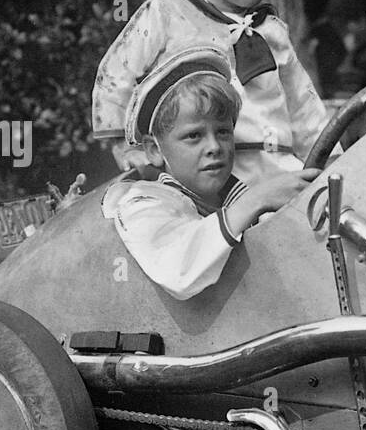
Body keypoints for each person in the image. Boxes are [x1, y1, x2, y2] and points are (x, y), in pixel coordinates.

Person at [92, 0, 327, 184]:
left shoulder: (272, 30)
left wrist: (329, 157)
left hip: (278, 167)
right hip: (205, 176)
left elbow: (303, 106)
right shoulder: (170, 11)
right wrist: (125, 147)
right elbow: (116, 75)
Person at [101, 45, 318, 301]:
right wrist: (257, 200)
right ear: (154, 150)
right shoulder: (143, 205)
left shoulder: (234, 197)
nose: (214, 147)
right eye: (194, 136)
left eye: (223, 132)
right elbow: (178, 270)